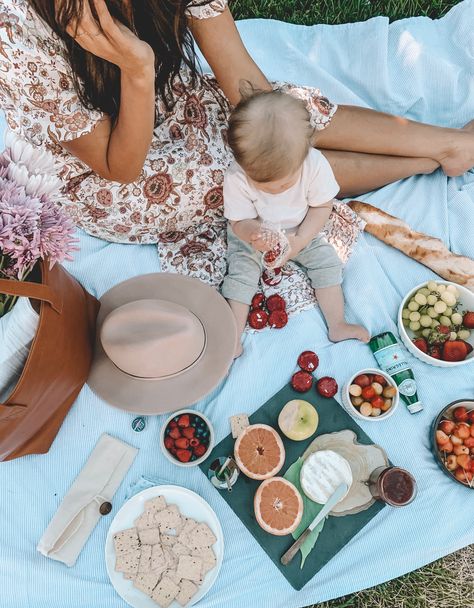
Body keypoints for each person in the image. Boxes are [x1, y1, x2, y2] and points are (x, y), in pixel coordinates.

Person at [0, 0, 473, 299]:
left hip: (173, 101)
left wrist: (272, 129)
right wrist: (139, 70)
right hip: (105, 175)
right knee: (232, 176)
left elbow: (242, 78)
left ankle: (450, 147)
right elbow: (119, 165)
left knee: (280, 114)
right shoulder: (16, 30)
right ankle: (428, 161)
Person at [222, 89, 369, 355]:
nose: (276, 191)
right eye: (263, 184)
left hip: (301, 227)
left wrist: (301, 239)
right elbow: (238, 221)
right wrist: (253, 232)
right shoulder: (237, 176)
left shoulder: (313, 165)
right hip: (255, 233)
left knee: (327, 262)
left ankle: (337, 323)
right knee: (241, 272)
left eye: (285, 183)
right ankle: (231, 338)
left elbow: (322, 206)